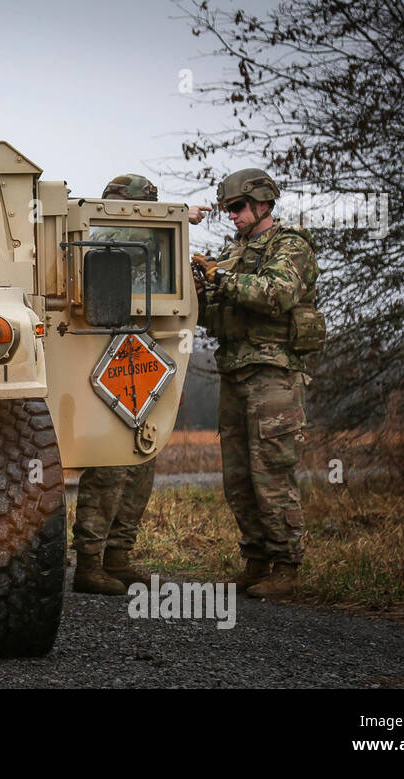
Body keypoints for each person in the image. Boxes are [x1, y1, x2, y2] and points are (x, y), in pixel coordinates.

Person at [72, 174, 204, 595]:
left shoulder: (148, 247)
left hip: (143, 359)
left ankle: (118, 557)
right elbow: (115, 229)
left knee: (141, 462)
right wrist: (178, 216)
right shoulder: (105, 233)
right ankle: (89, 564)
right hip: (106, 358)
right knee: (109, 466)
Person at [195, 168, 323, 599]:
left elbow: (276, 294)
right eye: (228, 209)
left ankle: (286, 565)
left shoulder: (291, 245)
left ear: (263, 203)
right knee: (238, 474)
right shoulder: (235, 252)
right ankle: (256, 560)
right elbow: (214, 306)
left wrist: (219, 279)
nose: (232, 215)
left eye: (238, 207)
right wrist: (197, 287)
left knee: (271, 469)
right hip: (234, 370)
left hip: (273, 374)